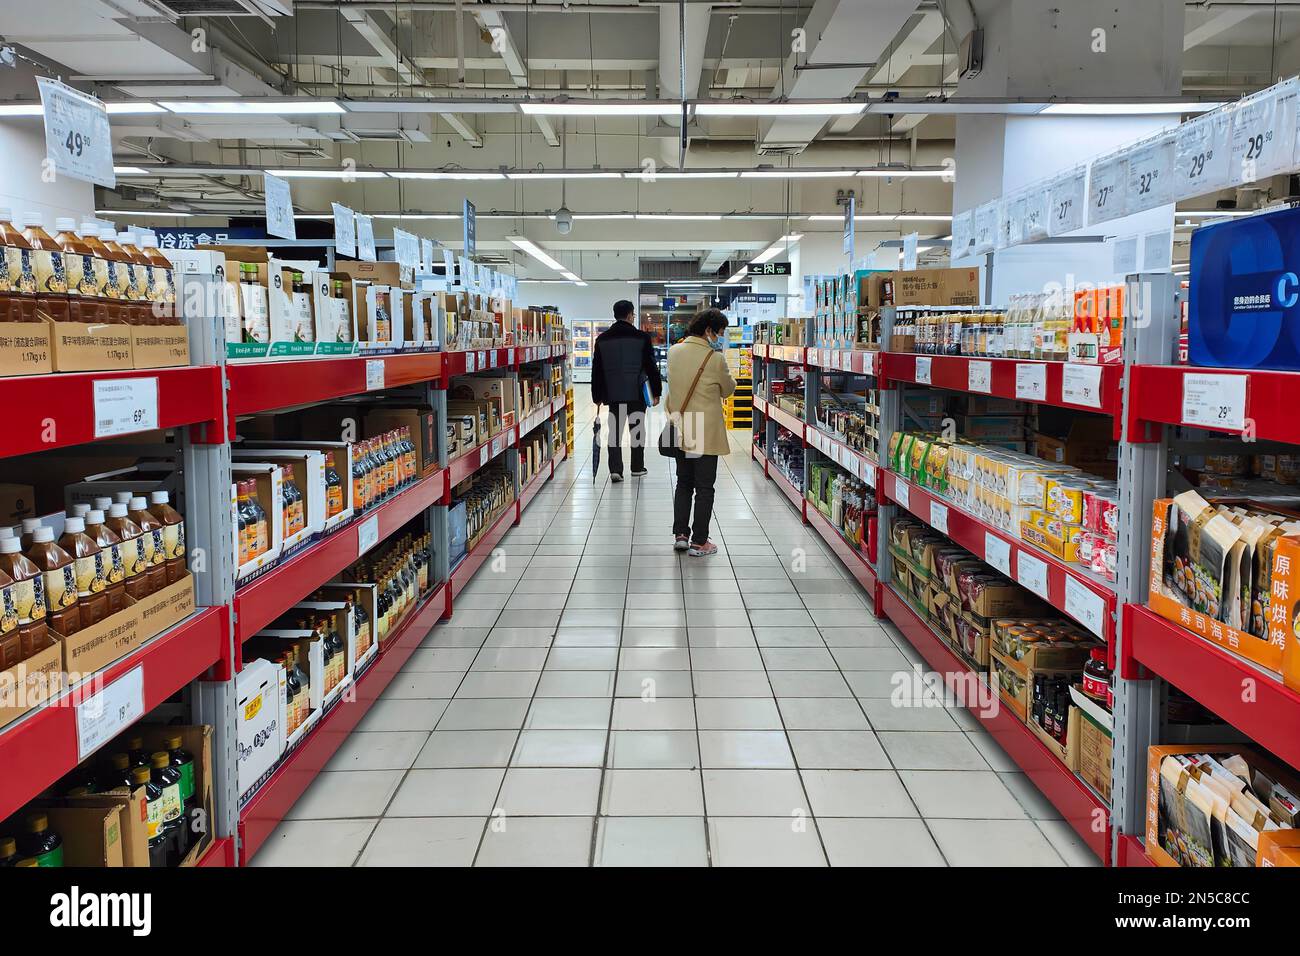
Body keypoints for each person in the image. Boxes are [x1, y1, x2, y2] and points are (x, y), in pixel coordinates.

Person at [665, 308, 735, 556]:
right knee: (704, 487)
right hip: (705, 431)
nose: (720, 337)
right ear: (708, 330)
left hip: (683, 429)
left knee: (683, 483)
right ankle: (700, 541)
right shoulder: (715, 359)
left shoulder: (674, 352)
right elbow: (728, 390)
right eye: (720, 332)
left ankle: (681, 535)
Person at [591, 299, 662, 481]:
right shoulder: (642, 337)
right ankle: (637, 467)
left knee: (614, 431)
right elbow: (651, 366)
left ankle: (615, 470)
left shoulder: (602, 339)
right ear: (630, 315)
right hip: (636, 393)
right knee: (637, 430)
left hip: (613, 394)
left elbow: (597, 370)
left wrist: (596, 395)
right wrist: (657, 391)